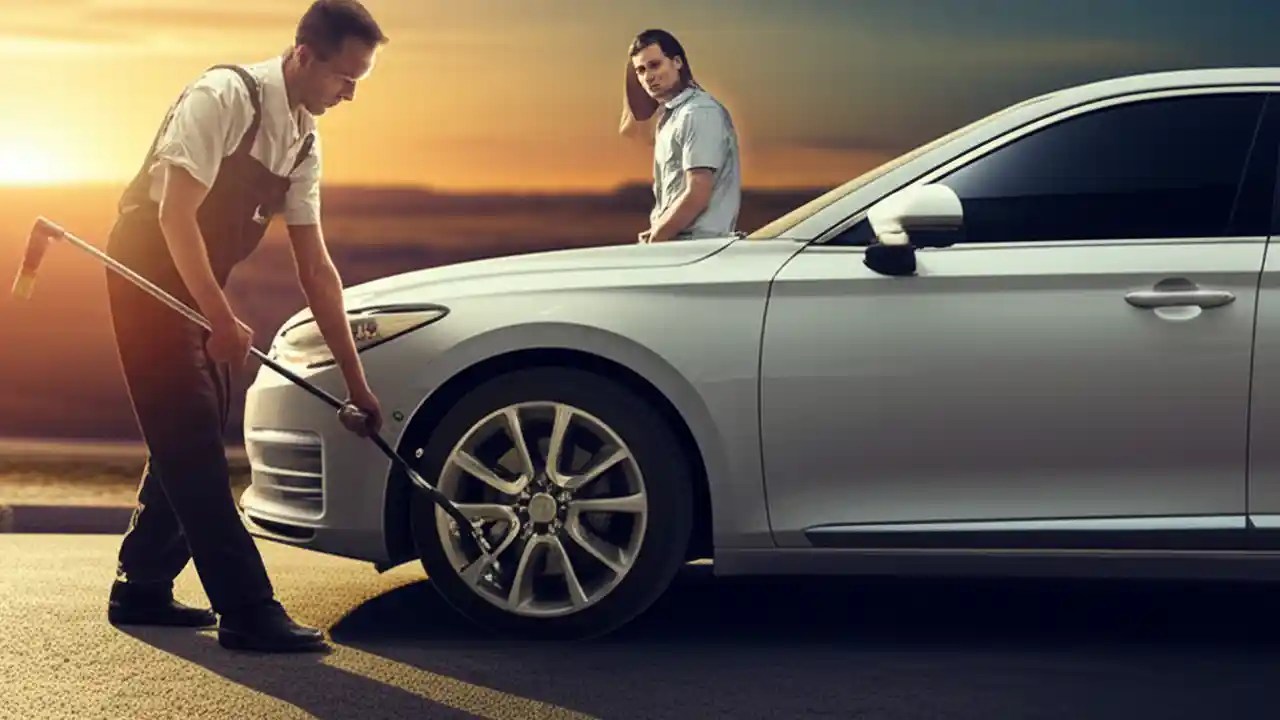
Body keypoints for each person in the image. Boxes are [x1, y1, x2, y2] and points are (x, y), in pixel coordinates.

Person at [103, 0, 388, 653]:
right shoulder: (223, 96)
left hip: (199, 287)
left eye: (360, 80)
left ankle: (142, 586)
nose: (349, 93)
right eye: (344, 77)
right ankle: (247, 610)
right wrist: (217, 314)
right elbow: (174, 214)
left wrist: (357, 384)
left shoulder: (304, 138)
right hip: (145, 275)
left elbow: (317, 270)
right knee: (194, 438)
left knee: (195, 423)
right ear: (304, 54)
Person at [624, 29, 741, 243]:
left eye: (655, 65)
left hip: (699, 249)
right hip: (679, 246)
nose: (648, 77)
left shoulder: (699, 112)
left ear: (677, 62)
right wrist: (659, 229)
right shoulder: (670, 118)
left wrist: (657, 238)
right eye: (640, 70)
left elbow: (698, 192)